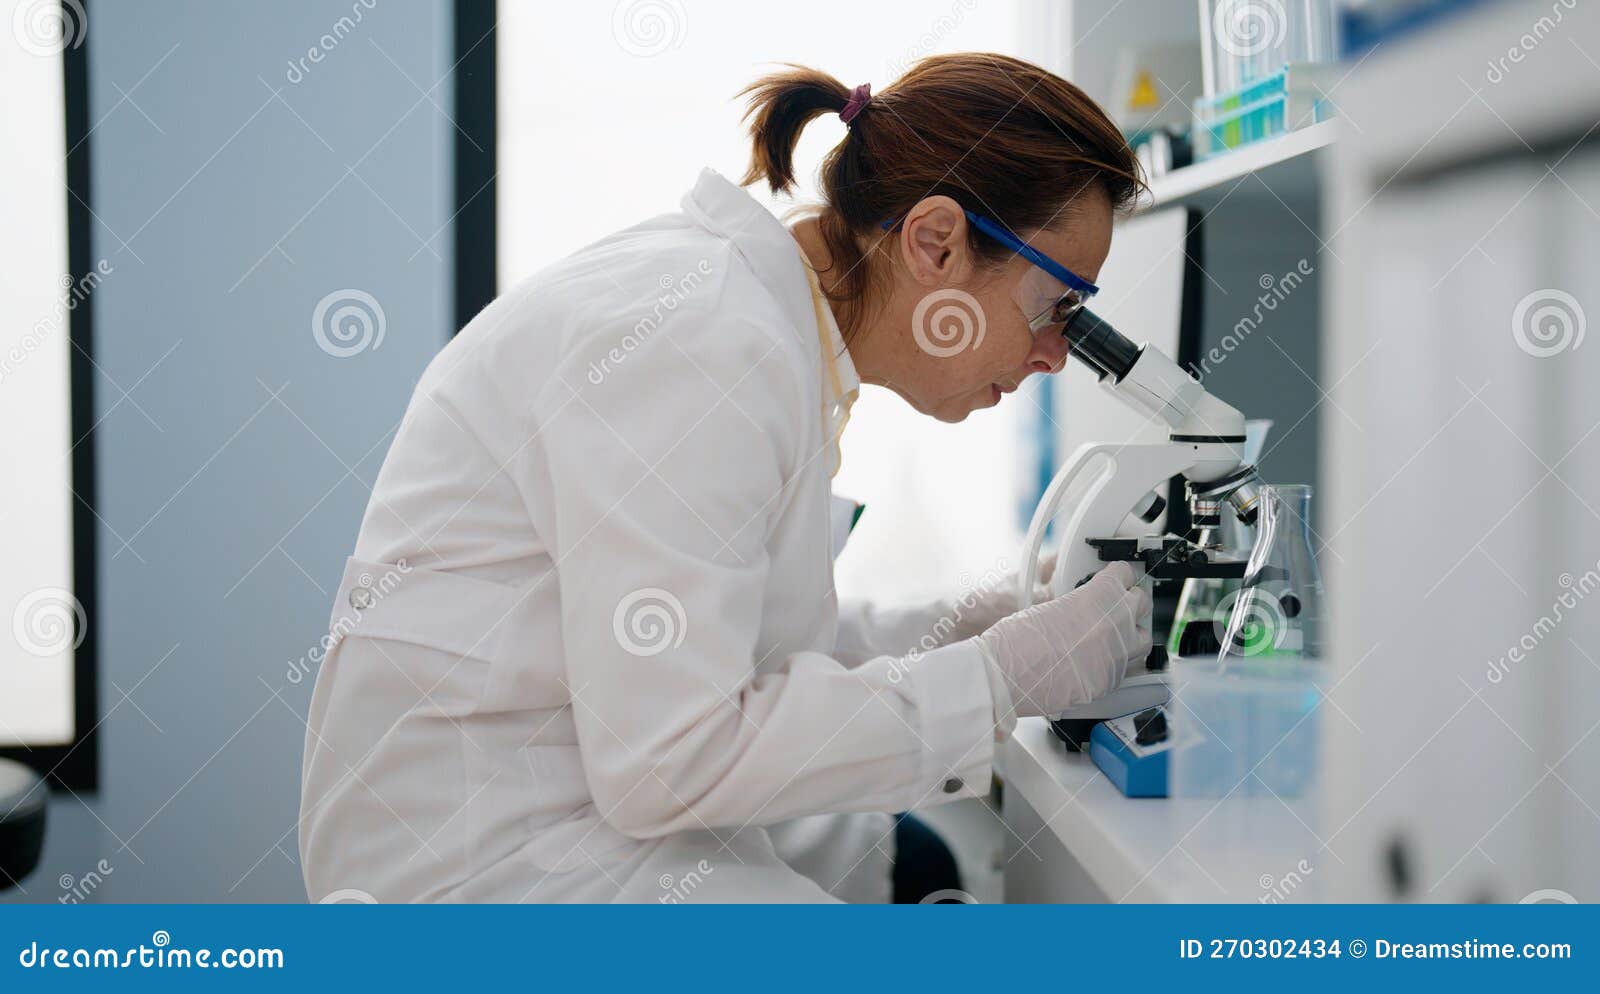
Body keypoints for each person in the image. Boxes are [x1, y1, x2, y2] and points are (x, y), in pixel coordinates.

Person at [299, 53, 1151, 904]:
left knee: (909, 866)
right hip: (490, 872)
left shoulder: (758, 327)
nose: (1054, 355)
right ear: (935, 242)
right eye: (1057, 305)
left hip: (571, 811)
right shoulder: (700, 344)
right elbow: (670, 760)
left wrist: (969, 626)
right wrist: (999, 676)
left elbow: (726, 645)